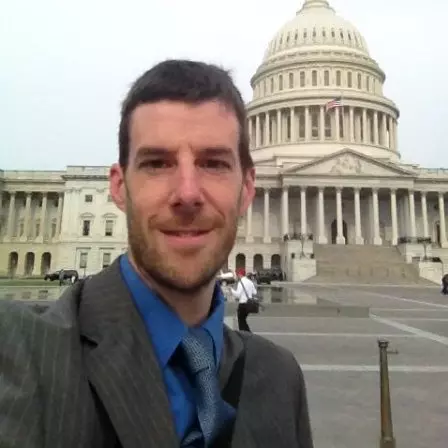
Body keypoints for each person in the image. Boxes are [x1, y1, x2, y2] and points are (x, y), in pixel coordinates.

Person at [0, 59, 314, 448]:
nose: (187, 194)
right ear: (118, 186)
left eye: (213, 163)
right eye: (157, 163)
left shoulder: (282, 381)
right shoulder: (16, 353)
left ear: (248, 187)